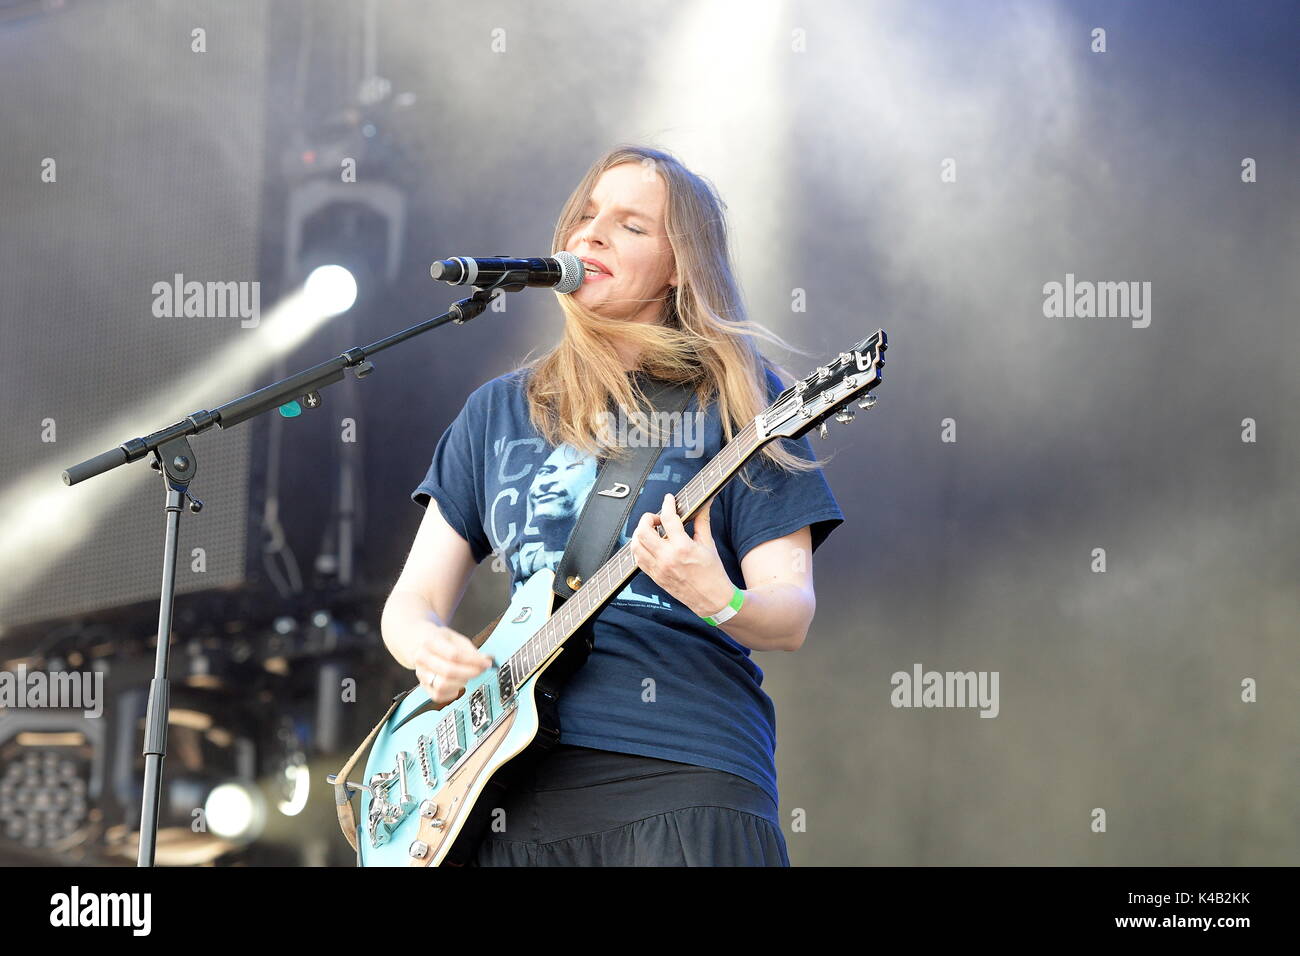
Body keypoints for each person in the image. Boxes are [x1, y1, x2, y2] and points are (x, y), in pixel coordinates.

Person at [380, 144, 844, 866]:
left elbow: (790, 617)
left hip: (679, 776)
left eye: (630, 225)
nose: (591, 235)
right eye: (586, 216)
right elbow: (412, 602)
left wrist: (715, 595)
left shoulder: (743, 401)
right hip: (500, 793)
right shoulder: (498, 411)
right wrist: (424, 647)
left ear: (679, 267)